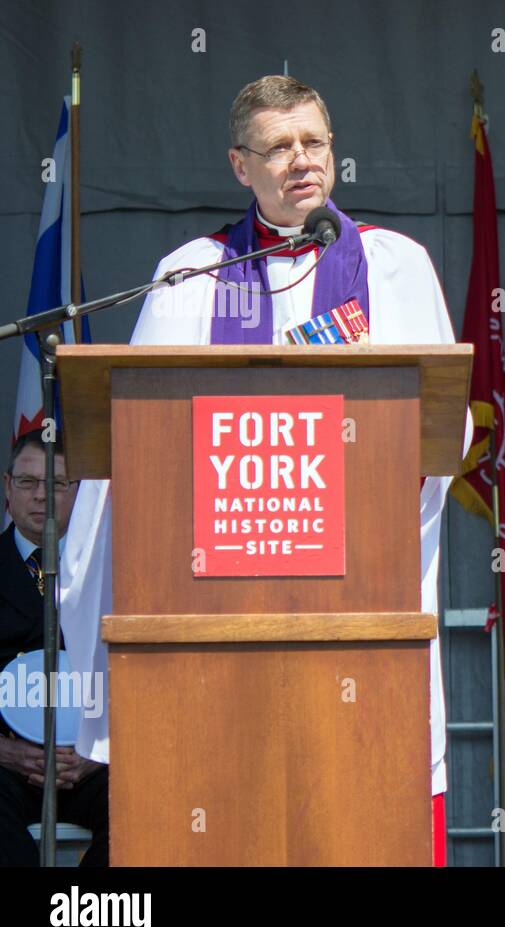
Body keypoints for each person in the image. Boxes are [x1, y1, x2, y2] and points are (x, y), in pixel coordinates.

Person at [58, 75, 468, 861]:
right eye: (278, 148)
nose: (301, 161)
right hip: (213, 598)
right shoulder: (192, 275)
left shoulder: (391, 267)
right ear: (240, 166)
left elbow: (438, 432)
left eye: (314, 142)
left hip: (360, 587)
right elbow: (131, 458)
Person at [0, 432, 107, 865]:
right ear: (7, 488)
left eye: (58, 483)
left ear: (79, 491)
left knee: (153, 805)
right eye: (27, 483)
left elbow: (147, 680)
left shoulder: (113, 571)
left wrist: (99, 752)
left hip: (91, 764)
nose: (42, 496)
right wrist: (4, 751)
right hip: (5, 764)